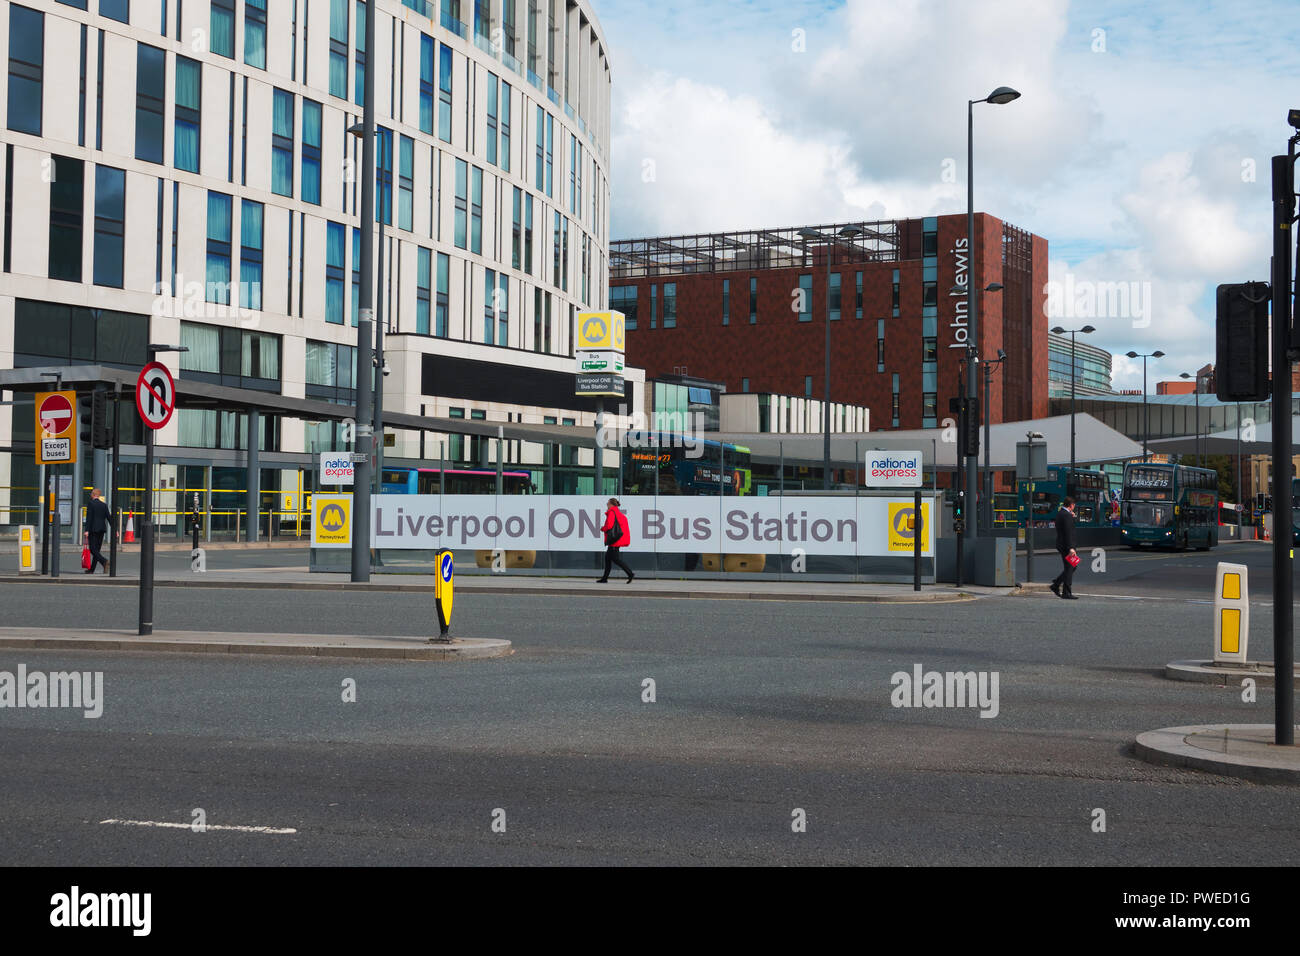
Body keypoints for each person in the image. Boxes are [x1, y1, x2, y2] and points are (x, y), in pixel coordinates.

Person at [597, 497, 634, 584]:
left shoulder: (612, 512)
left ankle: (630, 573)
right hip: (617, 539)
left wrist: (603, 528)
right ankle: (605, 578)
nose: (606, 504)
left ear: (611, 504)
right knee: (608, 559)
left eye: (608, 503)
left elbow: (609, 526)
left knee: (615, 559)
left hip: (614, 540)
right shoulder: (618, 513)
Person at [1051, 495, 1078, 599]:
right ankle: (1066, 592)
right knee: (1070, 568)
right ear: (1071, 505)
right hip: (1067, 546)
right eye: (1074, 505)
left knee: (1072, 567)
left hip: (1063, 545)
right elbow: (1068, 532)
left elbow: (1068, 528)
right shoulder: (1066, 515)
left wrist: (1072, 517)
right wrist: (1071, 547)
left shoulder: (1061, 513)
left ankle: (1056, 584)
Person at [84, 488, 113, 574]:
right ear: (98, 495)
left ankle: (104, 561)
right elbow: (109, 517)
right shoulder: (104, 505)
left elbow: (89, 518)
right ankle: (92, 569)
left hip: (93, 529)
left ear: (93, 494)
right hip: (102, 529)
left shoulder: (91, 503)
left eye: (91, 493)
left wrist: (86, 530)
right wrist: (115, 530)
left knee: (93, 549)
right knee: (97, 550)